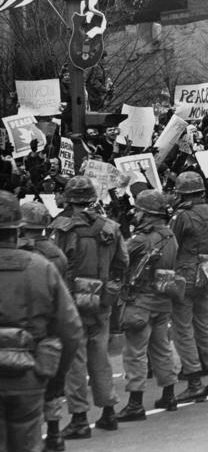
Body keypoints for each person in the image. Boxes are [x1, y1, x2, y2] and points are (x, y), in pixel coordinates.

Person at [0, 191, 83, 452]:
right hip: (28, 373)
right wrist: (55, 378)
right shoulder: (41, 266)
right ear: (17, 230)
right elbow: (70, 330)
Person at [48, 176, 128, 440]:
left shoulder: (63, 228)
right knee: (100, 357)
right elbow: (122, 263)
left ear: (69, 199)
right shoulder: (111, 227)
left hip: (73, 302)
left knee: (75, 362)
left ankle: (80, 418)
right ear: (92, 197)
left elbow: (54, 264)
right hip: (102, 301)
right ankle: (109, 412)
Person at [117, 189, 179, 421]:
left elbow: (120, 257)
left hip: (140, 301)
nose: (136, 214)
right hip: (162, 298)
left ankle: (135, 404)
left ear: (146, 213)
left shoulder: (141, 239)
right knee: (162, 349)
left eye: (139, 211)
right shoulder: (170, 235)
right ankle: (169, 395)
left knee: (135, 353)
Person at [169, 171, 208, 403]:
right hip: (207, 273)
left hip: (184, 274)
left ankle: (194, 381)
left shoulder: (182, 216)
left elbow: (172, 245)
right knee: (206, 325)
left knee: (182, 328)